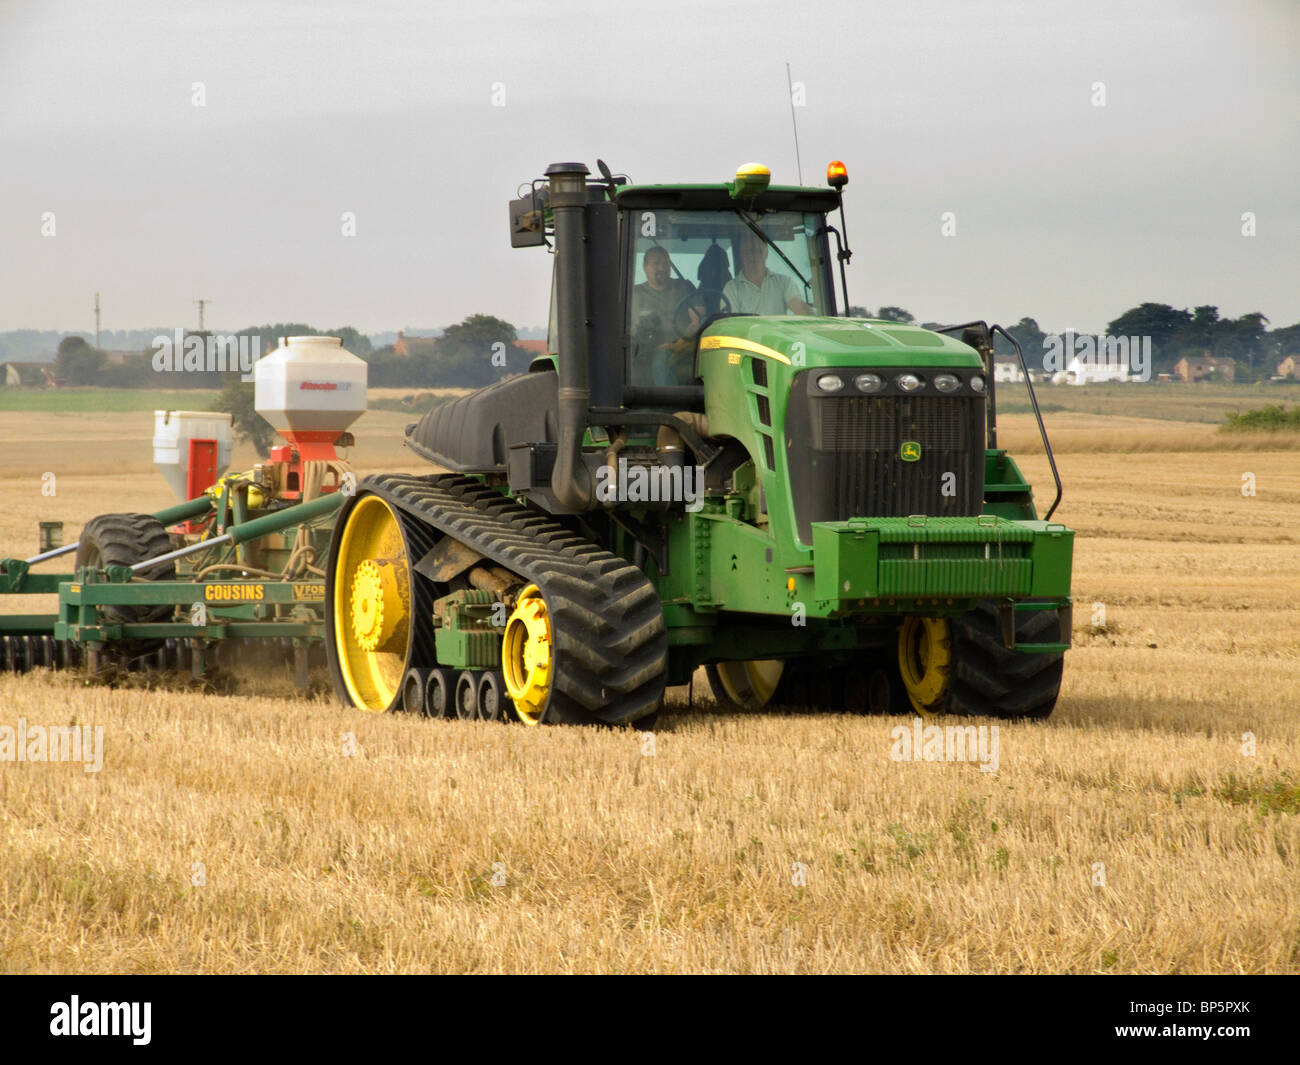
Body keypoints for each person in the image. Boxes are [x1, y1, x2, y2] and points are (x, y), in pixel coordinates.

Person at [630, 246, 704, 384]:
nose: (661, 268)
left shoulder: (684, 286)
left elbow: (698, 321)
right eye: (656, 263)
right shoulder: (636, 294)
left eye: (665, 263)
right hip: (647, 351)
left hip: (685, 346)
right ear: (645, 267)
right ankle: (668, 403)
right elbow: (631, 329)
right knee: (656, 360)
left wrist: (679, 344)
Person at [722, 228, 814, 315]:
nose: (754, 255)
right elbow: (731, 324)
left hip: (777, 332)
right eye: (749, 251)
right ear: (741, 255)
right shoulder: (731, 289)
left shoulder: (784, 283)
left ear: (766, 253)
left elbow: (799, 307)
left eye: (759, 251)